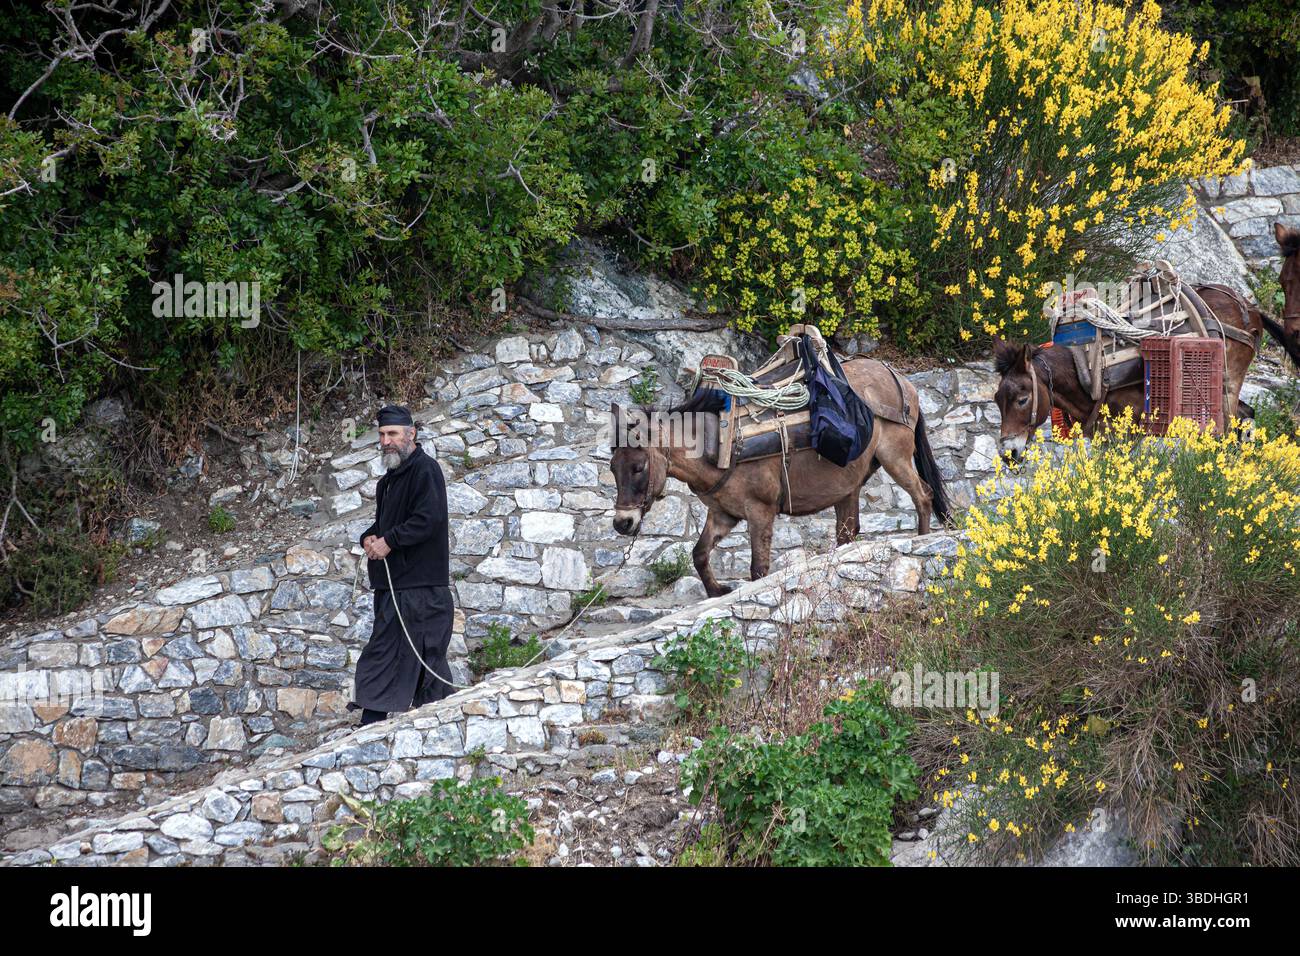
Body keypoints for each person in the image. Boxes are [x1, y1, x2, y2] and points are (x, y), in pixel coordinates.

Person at [347, 404, 456, 726]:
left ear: (411, 434)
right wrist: (369, 537)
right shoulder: (389, 481)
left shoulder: (426, 470)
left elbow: (428, 519)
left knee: (400, 653)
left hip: (419, 588)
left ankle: (373, 721)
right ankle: (441, 720)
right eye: (382, 434)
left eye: (392, 433)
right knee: (418, 655)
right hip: (395, 585)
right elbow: (384, 524)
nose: (386, 441)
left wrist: (389, 541)